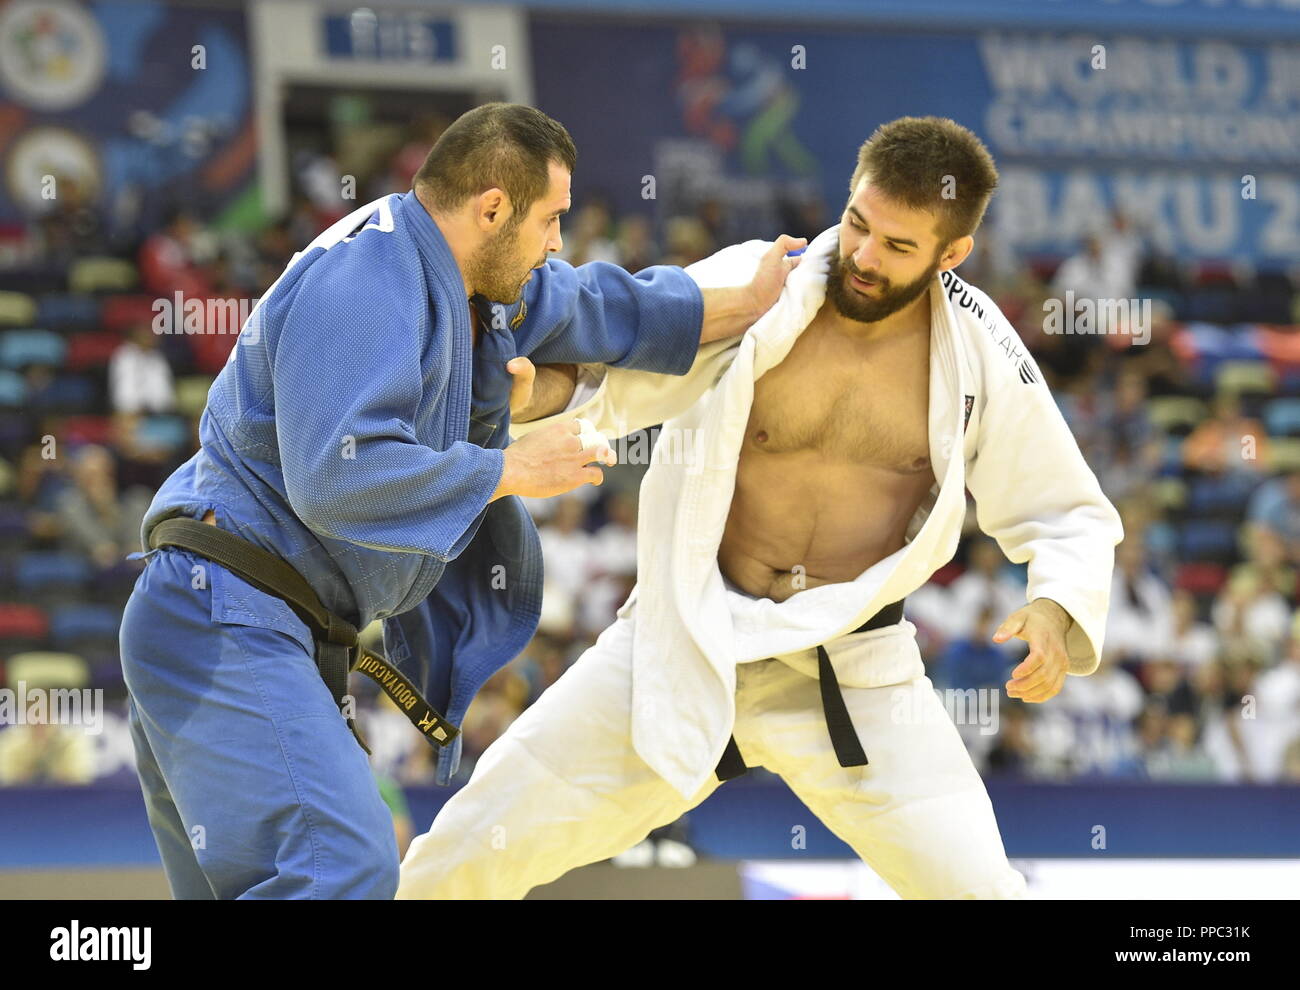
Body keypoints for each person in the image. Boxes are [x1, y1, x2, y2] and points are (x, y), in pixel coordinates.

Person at [397, 116, 1124, 900]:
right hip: (687, 634)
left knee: (984, 892)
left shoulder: (981, 349)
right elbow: (622, 376)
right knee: (467, 851)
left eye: (899, 247)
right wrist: (529, 396)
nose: (865, 257)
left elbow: (1065, 507)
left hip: (851, 669)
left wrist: (1054, 607)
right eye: (858, 224)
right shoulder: (761, 280)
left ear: (952, 256)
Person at [118, 103, 801, 899]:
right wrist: (506, 467)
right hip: (224, 610)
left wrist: (747, 303)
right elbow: (337, 478)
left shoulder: (467, 280)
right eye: (551, 220)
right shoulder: (365, 281)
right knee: (343, 869)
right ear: (492, 208)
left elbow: (602, 308)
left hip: (255, 623)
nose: (556, 243)